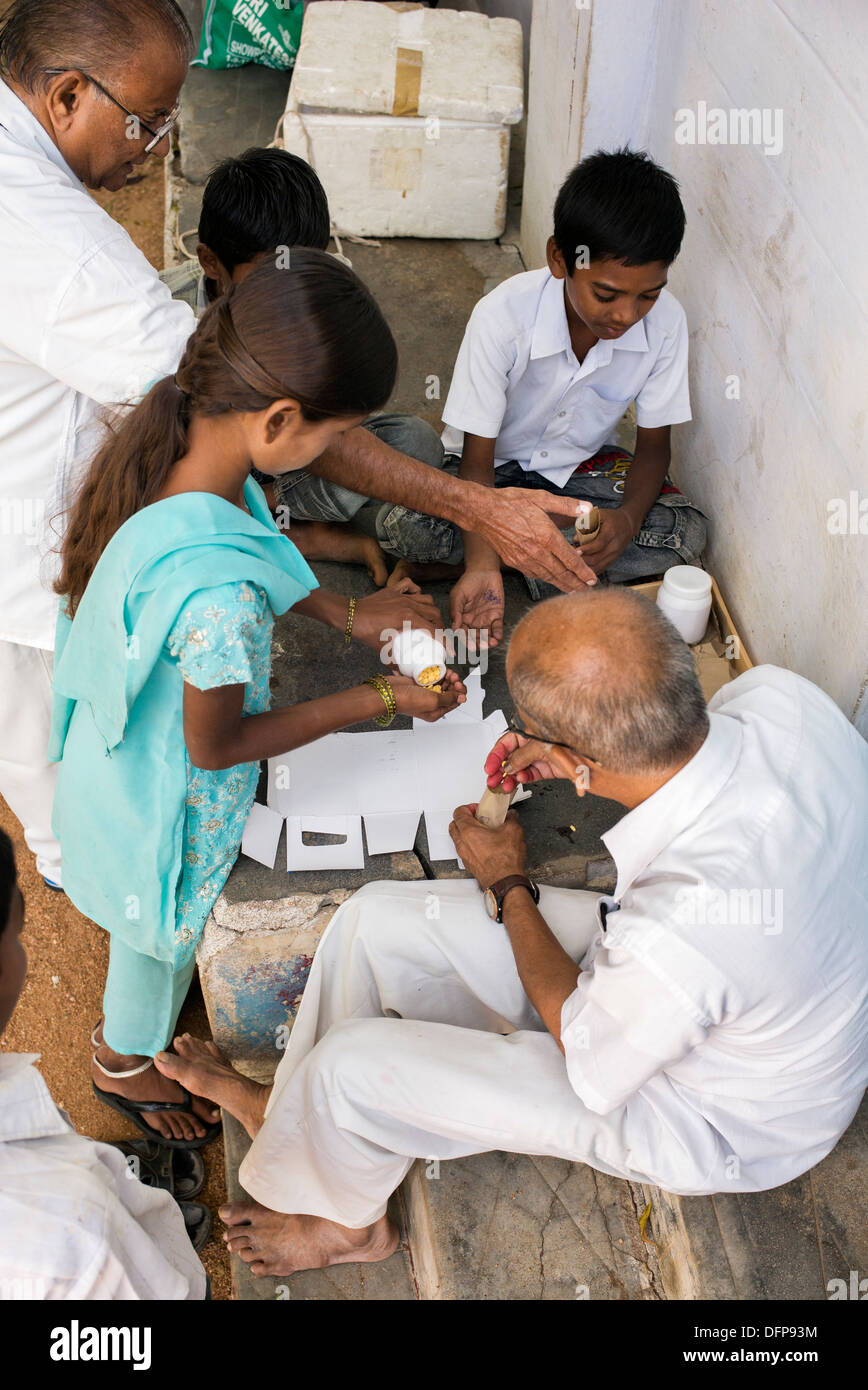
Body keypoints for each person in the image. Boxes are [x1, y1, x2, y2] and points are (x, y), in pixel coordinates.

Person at [155, 587, 868, 1276]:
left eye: (531, 730)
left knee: (350, 1068)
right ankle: (299, 1122)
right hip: (736, 990)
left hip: (721, 1116)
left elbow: (590, 1056)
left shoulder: (692, 928)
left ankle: (351, 1222)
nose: (517, 737)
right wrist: (558, 761)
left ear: (580, 768)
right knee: (372, 924)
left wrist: (507, 884)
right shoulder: (781, 700)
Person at [49, 252, 466, 1150]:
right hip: (165, 810)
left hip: (111, 760)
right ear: (280, 419)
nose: (329, 454)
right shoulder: (221, 607)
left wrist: (350, 612)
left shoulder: (184, 447)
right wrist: (379, 701)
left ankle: (137, 1035)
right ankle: (122, 1062)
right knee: (155, 946)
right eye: (332, 437)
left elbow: (250, 542)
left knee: (149, 938)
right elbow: (217, 746)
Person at [0, 0, 197, 891]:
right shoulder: (53, 242)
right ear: (68, 94)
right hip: (20, 574)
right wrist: (470, 504)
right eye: (146, 122)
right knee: (47, 760)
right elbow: (210, 391)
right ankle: (83, 885)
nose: (151, 149)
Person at [375, 148, 708, 646]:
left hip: (577, 477)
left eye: (649, 295)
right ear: (560, 259)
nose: (627, 315)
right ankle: (527, 560)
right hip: (485, 477)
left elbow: (654, 447)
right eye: (607, 294)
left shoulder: (667, 324)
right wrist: (484, 569)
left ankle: (509, 555)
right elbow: (476, 461)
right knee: (405, 524)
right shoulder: (503, 317)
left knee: (685, 532)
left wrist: (624, 521)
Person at [161, 145, 451, 588]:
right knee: (178, 500)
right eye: (268, 277)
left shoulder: (322, 286)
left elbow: (338, 414)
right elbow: (166, 458)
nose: (290, 295)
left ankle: (272, 517)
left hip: (297, 453)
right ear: (210, 262)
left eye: (306, 268)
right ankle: (315, 536)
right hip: (207, 468)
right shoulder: (168, 318)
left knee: (415, 441)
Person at [0, 829, 207, 1300]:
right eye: (16, 934)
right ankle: (135, 1232)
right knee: (109, 1231)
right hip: (92, 1256)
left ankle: (113, 1191)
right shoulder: (71, 1241)